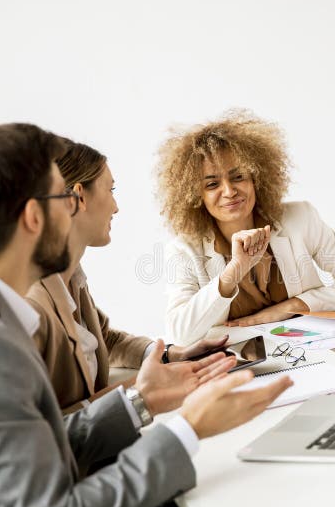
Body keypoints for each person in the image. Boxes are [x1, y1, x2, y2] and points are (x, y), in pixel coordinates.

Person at [0, 123, 291, 507]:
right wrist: (188, 428)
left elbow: (38, 446)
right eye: (65, 198)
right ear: (34, 216)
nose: (76, 208)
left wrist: (141, 401)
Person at [27, 141, 231, 412]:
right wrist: (138, 392)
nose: (116, 207)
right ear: (78, 198)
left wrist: (170, 354)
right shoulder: (32, 306)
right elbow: (46, 426)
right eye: (110, 190)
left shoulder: (72, 277)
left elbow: (105, 340)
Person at [156, 110, 335, 345]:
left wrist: (296, 305)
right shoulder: (184, 250)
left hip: (313, 352)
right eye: (212, 184)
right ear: (195, 195)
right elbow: (179, 334)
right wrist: (233, 272)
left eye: (238, 177)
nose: (229, 191)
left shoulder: (301, 218)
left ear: (256, 178)